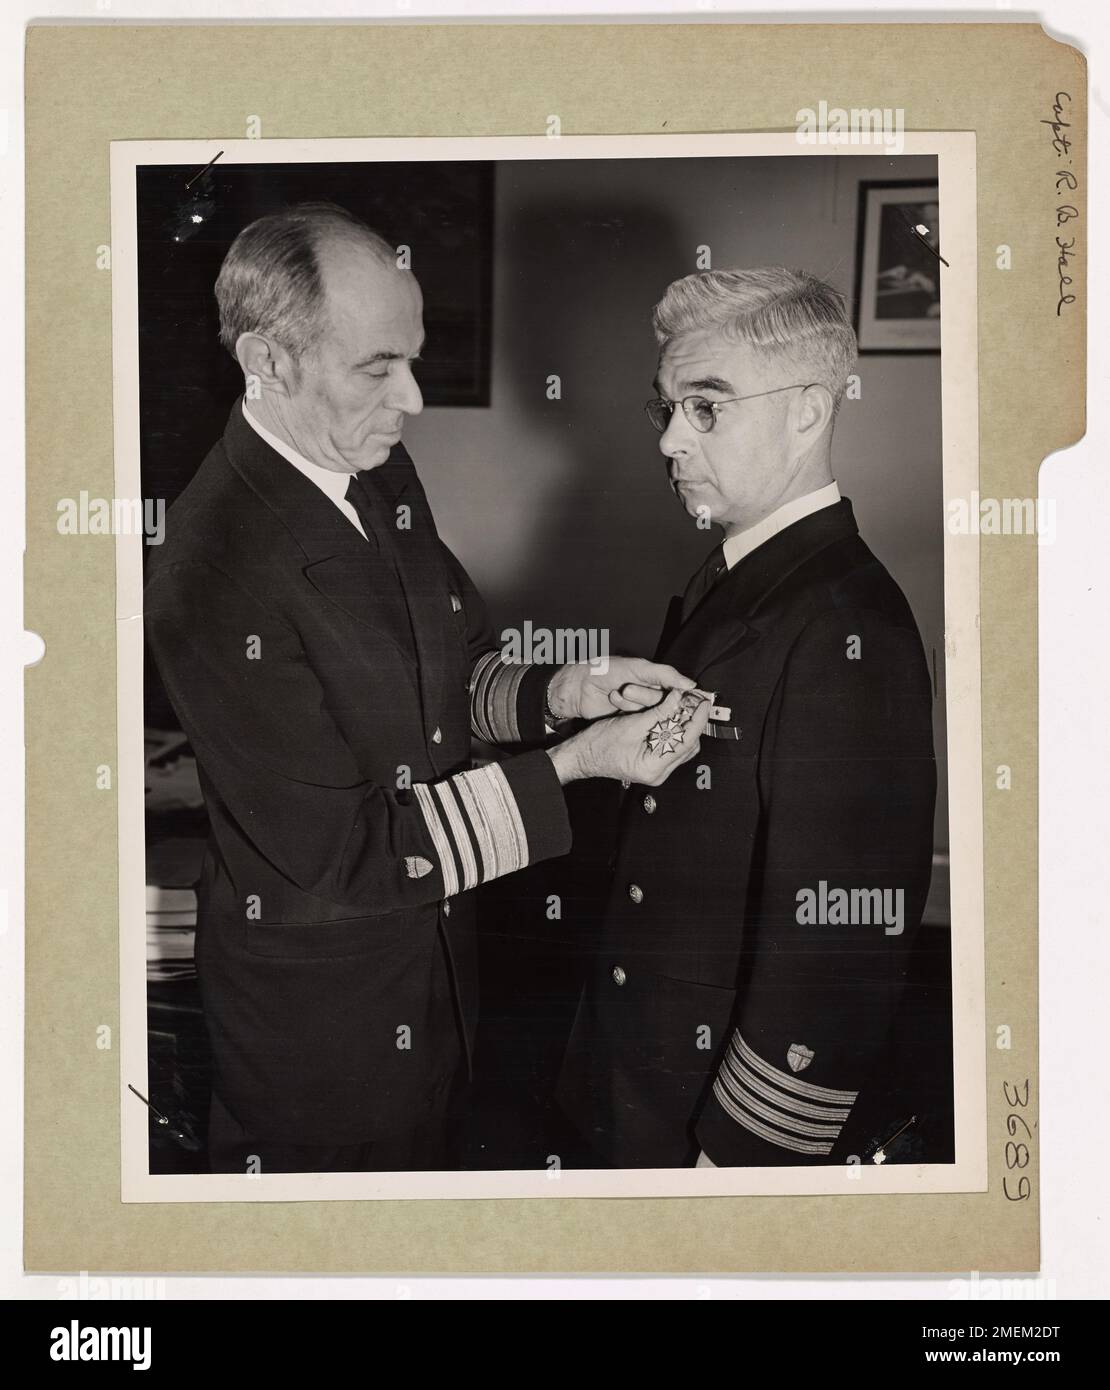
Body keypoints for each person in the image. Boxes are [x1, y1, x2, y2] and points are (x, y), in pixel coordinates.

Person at [144, 202, 708, 1174]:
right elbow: (350, 855)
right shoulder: (211, 569)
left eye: (414, 356)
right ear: (269, 362)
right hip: (320, 1037)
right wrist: (573, 767)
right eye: (378, 367)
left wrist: (568, 691)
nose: (411, 399)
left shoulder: (372, 460)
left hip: (437, 971)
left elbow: (461, 666)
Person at [557, 267, 937, 1168]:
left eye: (708, 408)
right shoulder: (739, 581)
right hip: (636, 1077)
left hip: (708, 1119)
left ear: (808, 411)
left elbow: (840, 934)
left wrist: (742, 1158)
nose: (671, 442)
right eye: (668, 410)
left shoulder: (847, 623)